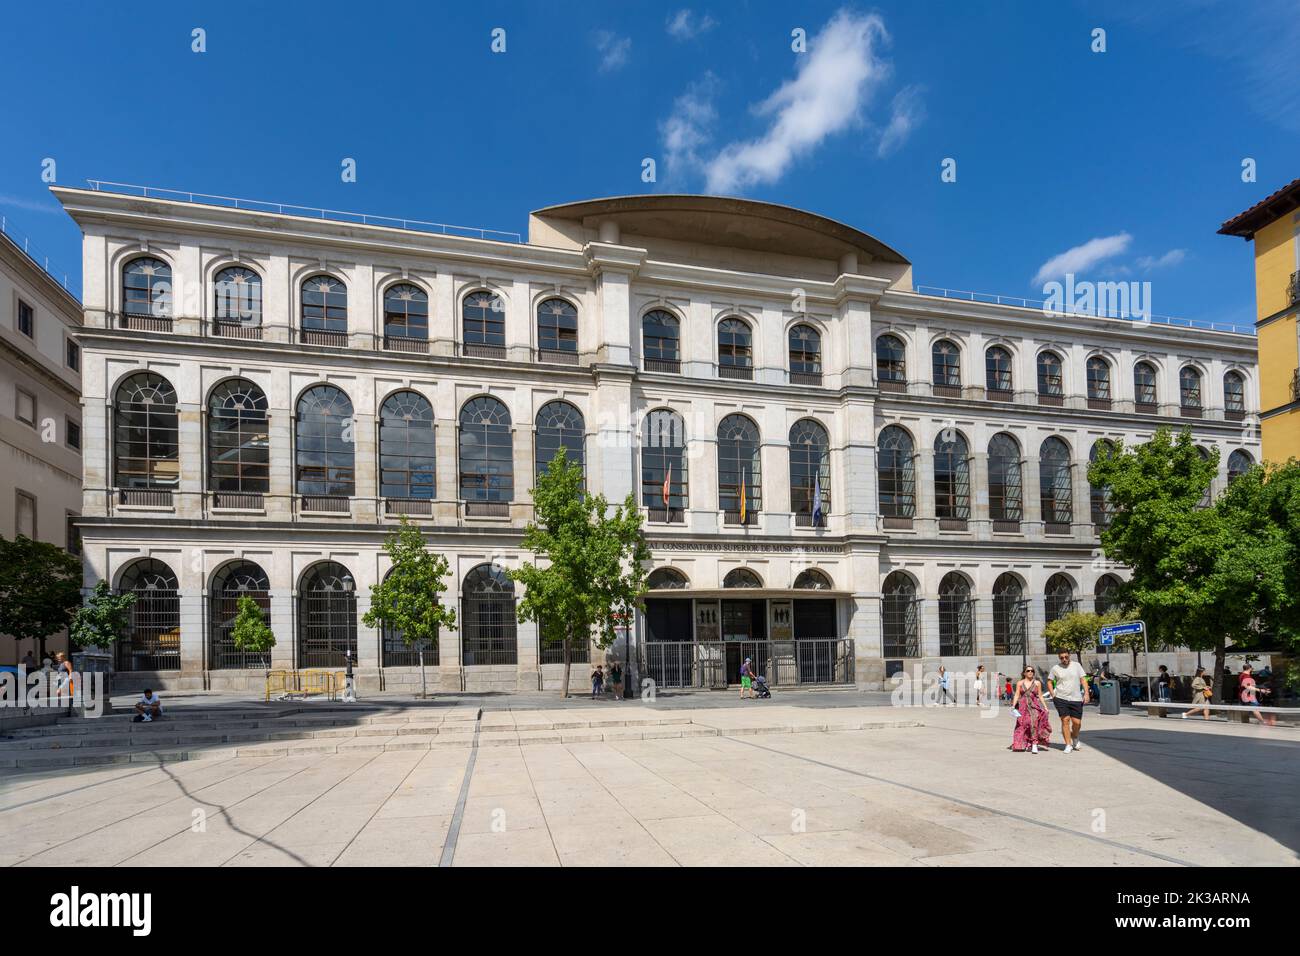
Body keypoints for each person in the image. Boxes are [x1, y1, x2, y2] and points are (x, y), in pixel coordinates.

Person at [1047, 650, 1090, 753]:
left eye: (1066, 657)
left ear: (1069, 656)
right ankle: (1068, 744)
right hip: (1061, 698)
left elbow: (1083, 680)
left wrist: (1086, 693)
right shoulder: (1055, 668)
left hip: (1076, 698)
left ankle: (1075, 737)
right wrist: (1053, 694)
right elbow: (1049, 681)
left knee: (1077, 722)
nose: (1064, 659)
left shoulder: (1077, 665)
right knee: (1065, 720)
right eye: (1062, 658)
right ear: (1059, 658)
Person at [1011, 666, 1051, 754]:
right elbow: (1017, 694)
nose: (1030, 672)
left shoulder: (1037, 683)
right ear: (1024, 673)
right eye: (1028, 671)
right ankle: (1023, 743)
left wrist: (1045, 707)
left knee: (1034, 724)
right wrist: (1013, 706)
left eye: (1032, 671)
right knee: (1022, 725)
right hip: (1022, 706)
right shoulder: (1020, 683)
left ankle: (1034, 744)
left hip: (1034, 706)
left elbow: (1040, 695)